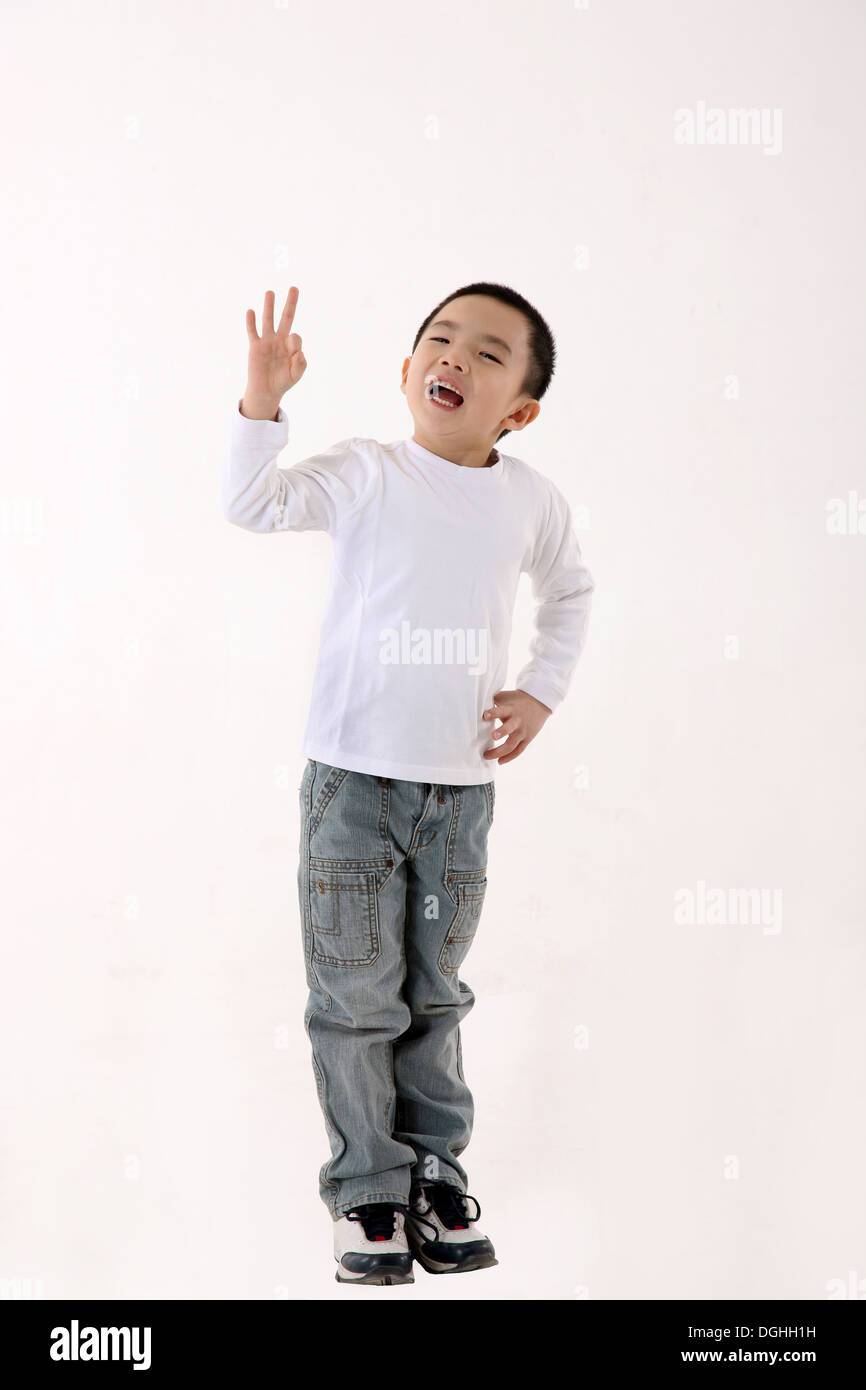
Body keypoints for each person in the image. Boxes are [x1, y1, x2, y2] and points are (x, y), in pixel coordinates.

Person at [220, 282, 595, 1285]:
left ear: (517, 409)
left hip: (458, 795)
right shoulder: (363, 474)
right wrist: (262, 404)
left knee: (434, 994)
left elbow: (569, 589)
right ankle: (368, 1188)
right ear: (405, 370)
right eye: (439, 340)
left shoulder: (528, 500)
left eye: (487, 354)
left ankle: (434, 1168)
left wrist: (539, 692)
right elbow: (250, 504)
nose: (456, 360)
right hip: (353, 784)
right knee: (354, 999)